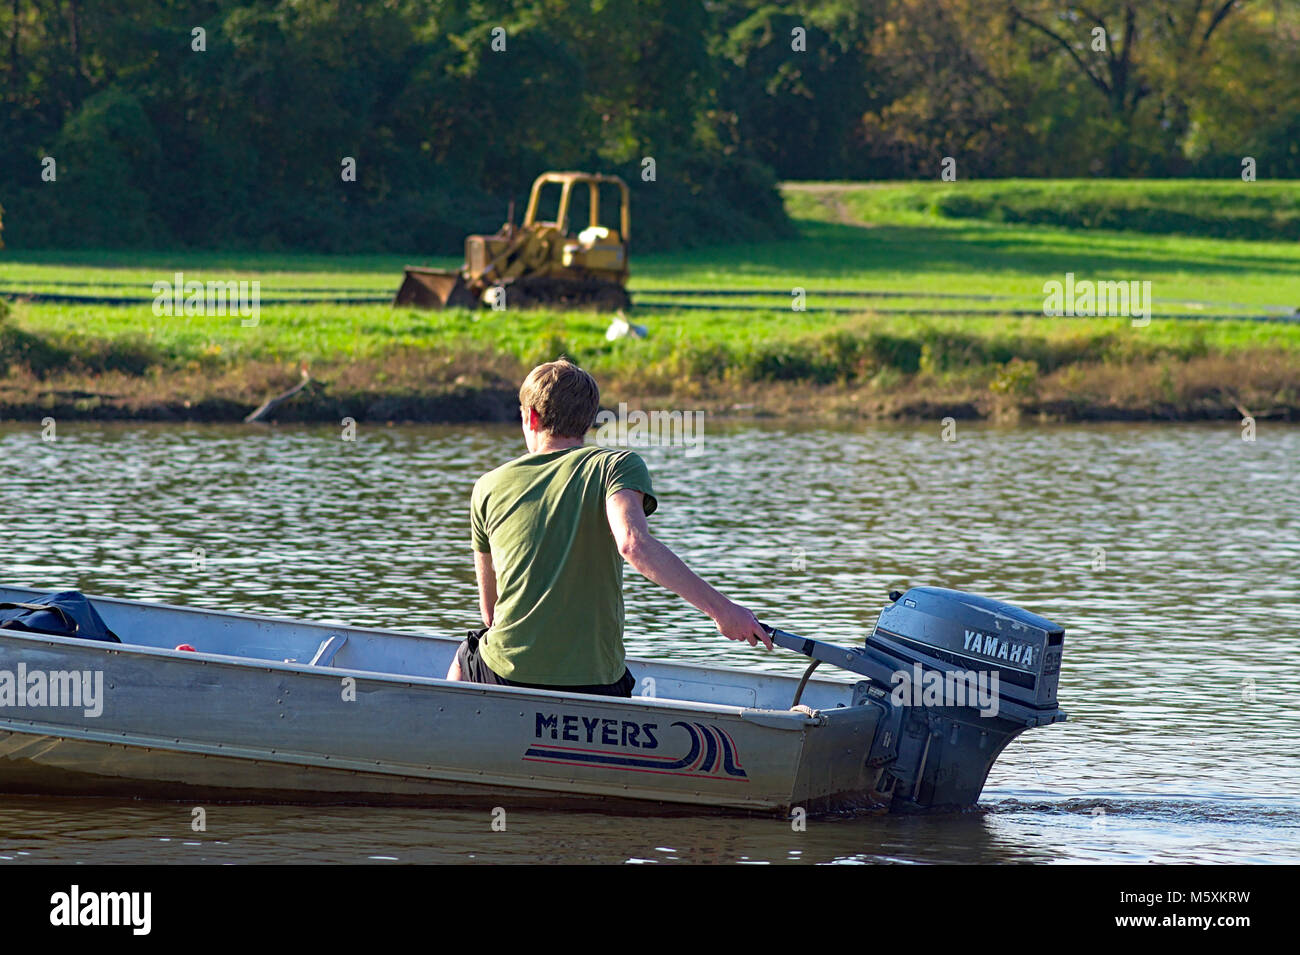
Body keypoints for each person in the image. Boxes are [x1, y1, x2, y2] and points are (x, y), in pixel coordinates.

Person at [447, 358, 772, 696]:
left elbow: (490, 613)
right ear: (589, 421)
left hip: (506, 674)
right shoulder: (617, 466)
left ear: (531, 417)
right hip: (598, 682)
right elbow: (633, 543)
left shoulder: (487, 486)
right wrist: (724, 611)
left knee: (464, 657)